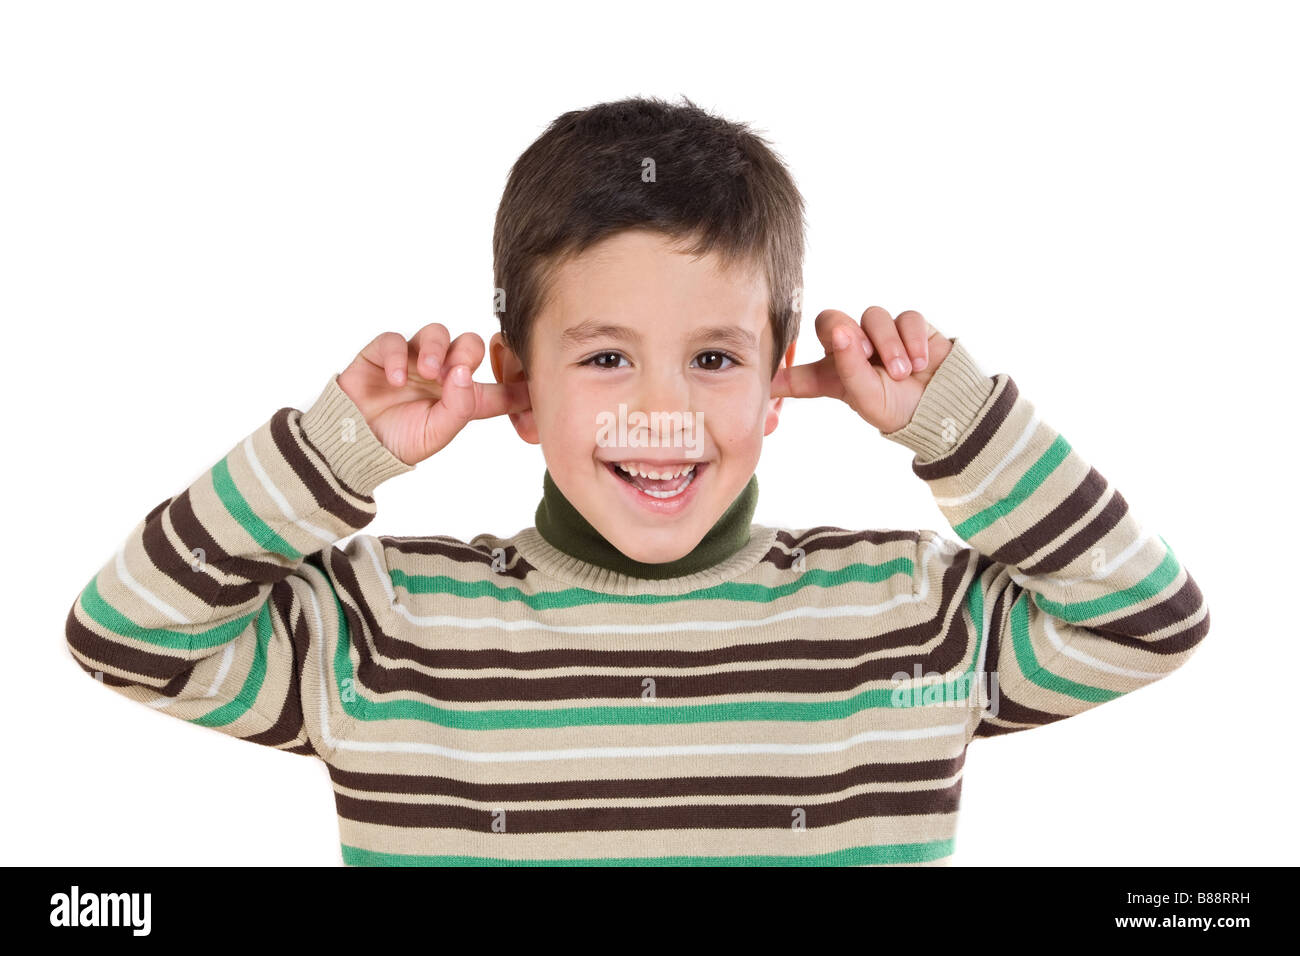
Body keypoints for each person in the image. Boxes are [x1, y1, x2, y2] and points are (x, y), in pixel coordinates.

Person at [65, 95, 1209, 866]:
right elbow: (128, 635)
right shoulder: (385, 631)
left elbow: (1145, 622)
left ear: (774, 386)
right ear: (516, 383)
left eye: (713, 359)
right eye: (604, 356)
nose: (662, 411)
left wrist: (957, 425)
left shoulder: (903, 618)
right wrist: (330, 453)